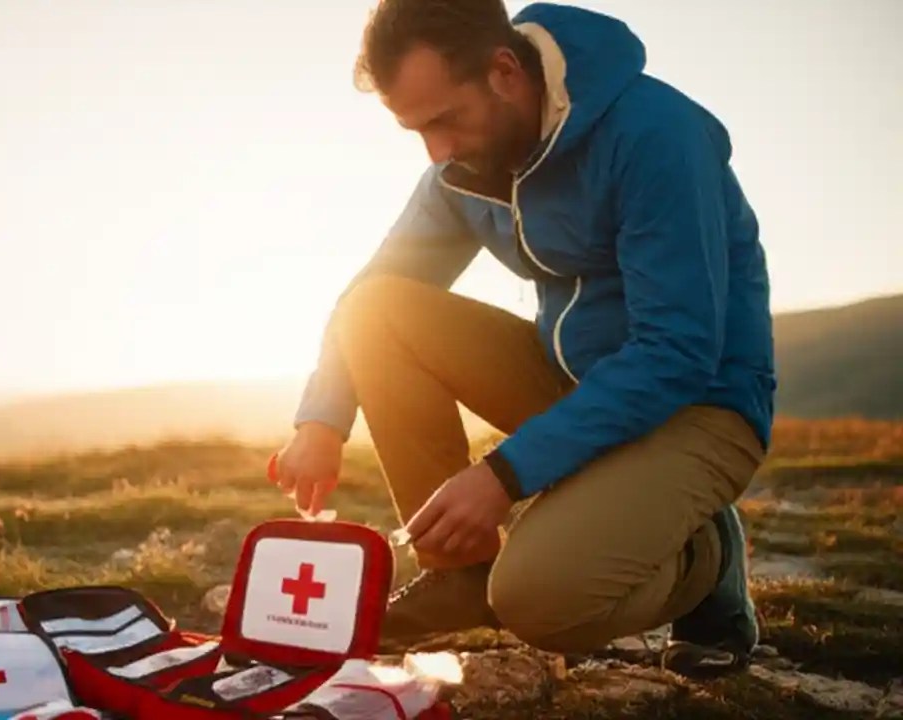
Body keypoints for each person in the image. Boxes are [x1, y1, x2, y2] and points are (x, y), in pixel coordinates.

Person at [270, 0, 775, 679]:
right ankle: (456, 574)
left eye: (445, 120)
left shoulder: (656, 134)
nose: (436, 151)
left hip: (700, 404)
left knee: (539, 601)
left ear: (504, 70)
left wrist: (504, 475)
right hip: (577, 381)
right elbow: (373, 292)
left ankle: (704, 553)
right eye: (416, 130)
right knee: (379, 309)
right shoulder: (465, 167)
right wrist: (323, 419)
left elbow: (676, 351)